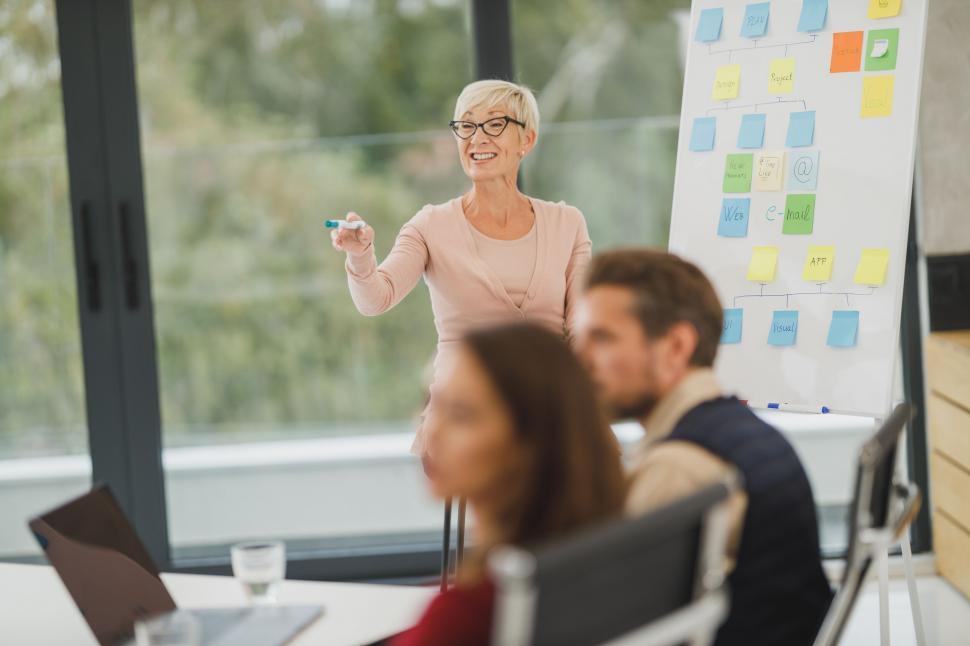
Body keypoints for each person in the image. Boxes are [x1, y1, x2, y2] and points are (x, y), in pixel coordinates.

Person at [576, 248, 833, 646]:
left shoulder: (679, 466)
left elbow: (616, 625)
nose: (581, 359)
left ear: (676, 347)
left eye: (602, 338)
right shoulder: (751, 435)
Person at [330, 79, 592, 456]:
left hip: (548, 407)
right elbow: (376, 299)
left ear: (527, 140)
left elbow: (581, 325)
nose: (478, 137)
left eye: (495, 124)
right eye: (466, 126)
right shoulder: (430, 225)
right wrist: (359, 255)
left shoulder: (567, 223)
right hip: (464, 414)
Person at [390, 323, 626, 646]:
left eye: (461, 414)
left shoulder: (466, 614)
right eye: (432, 404)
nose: (433, 431)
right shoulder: (599, 561)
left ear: (531, 442)